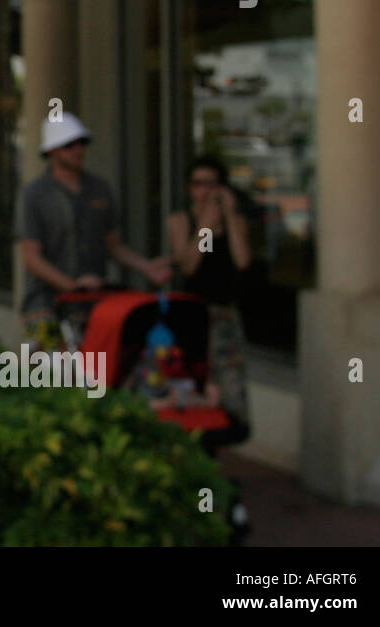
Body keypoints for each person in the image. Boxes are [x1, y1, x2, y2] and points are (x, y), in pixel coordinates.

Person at [16, 112, 172, 352]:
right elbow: (32, 258)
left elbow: (112, 245)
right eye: (69, 145)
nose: (78, 150)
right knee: (48, 376)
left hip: (90, 303)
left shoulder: (100, 188)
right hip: (44, 303)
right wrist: (74, 286)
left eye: (82, 143)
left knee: (93, 377)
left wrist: (146, 266)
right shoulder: (35, 194)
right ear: (52, 152)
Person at [166, 155, 251, 445]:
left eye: (211, 184)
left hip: (224, 315)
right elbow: (189, 264)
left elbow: (242, 261)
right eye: (198, 184)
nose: (204, 191)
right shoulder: (181, 220)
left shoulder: (234, 221)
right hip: (192, 316)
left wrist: (227, 216)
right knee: (192, 387)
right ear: (190, 188)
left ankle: (220, 451)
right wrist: (204, 226)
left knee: (228, 390)